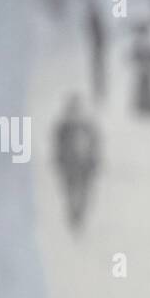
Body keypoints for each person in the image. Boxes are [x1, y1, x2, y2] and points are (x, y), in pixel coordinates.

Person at [52, 94, 102, 232]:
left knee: (84, 192)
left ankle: (78, 216)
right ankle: (74, 216)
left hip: (85, 167)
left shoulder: (88, 127)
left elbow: (95, 147)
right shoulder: (63, 128)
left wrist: (94, 162)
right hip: (69, 166)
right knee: (71, 192)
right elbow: (58, 148)